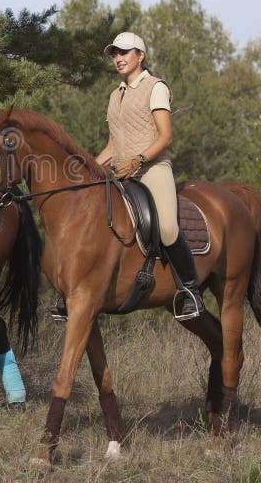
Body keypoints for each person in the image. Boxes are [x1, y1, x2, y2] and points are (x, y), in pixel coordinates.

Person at [95, 31, 204, 320]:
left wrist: (139, 159)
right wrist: (89, 169)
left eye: (124, 53)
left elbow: (165, 136)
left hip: (152, 169)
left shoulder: (155, 87)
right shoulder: (114, 95)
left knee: (167, 227)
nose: (118, 58)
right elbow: (111, 145)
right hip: (121, 171)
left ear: (140, 56)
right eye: (115, 54)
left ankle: (191, 289)